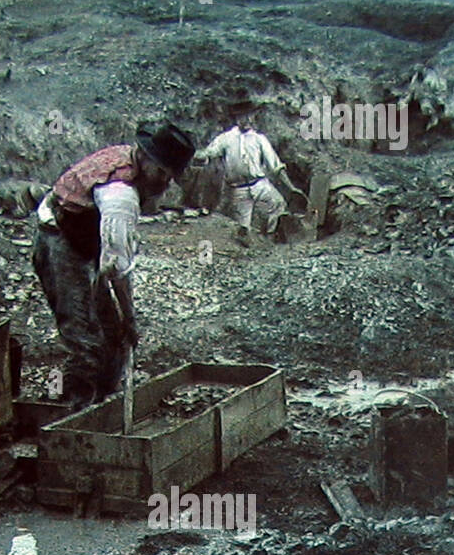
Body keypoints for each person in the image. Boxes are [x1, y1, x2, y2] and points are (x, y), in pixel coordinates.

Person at [33, 121, 196, 411]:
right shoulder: (120, 196)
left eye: (169, 177)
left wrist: (123, 323)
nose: (163, 183)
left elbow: (115, 257)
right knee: (85, 339)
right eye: (160, 173)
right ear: (145, 158)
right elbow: (117, 268)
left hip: (83, 235)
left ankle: (105, 402)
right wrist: (130, 317)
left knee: (113, 334)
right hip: (60, 239)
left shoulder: (129, 159)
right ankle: (74, 417)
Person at [194, 105, 305, 243]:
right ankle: (249, 248)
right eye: (242, 116)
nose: (247, 119)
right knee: (242, 227)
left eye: (249, 115)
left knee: (277, 203)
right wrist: (194, 155)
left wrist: (291, 188)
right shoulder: (226, 138)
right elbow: (208, 153)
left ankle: (270, 239)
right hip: (237, 189)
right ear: (236, 118)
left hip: (259, 184)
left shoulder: (259, 139)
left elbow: (276, 166)